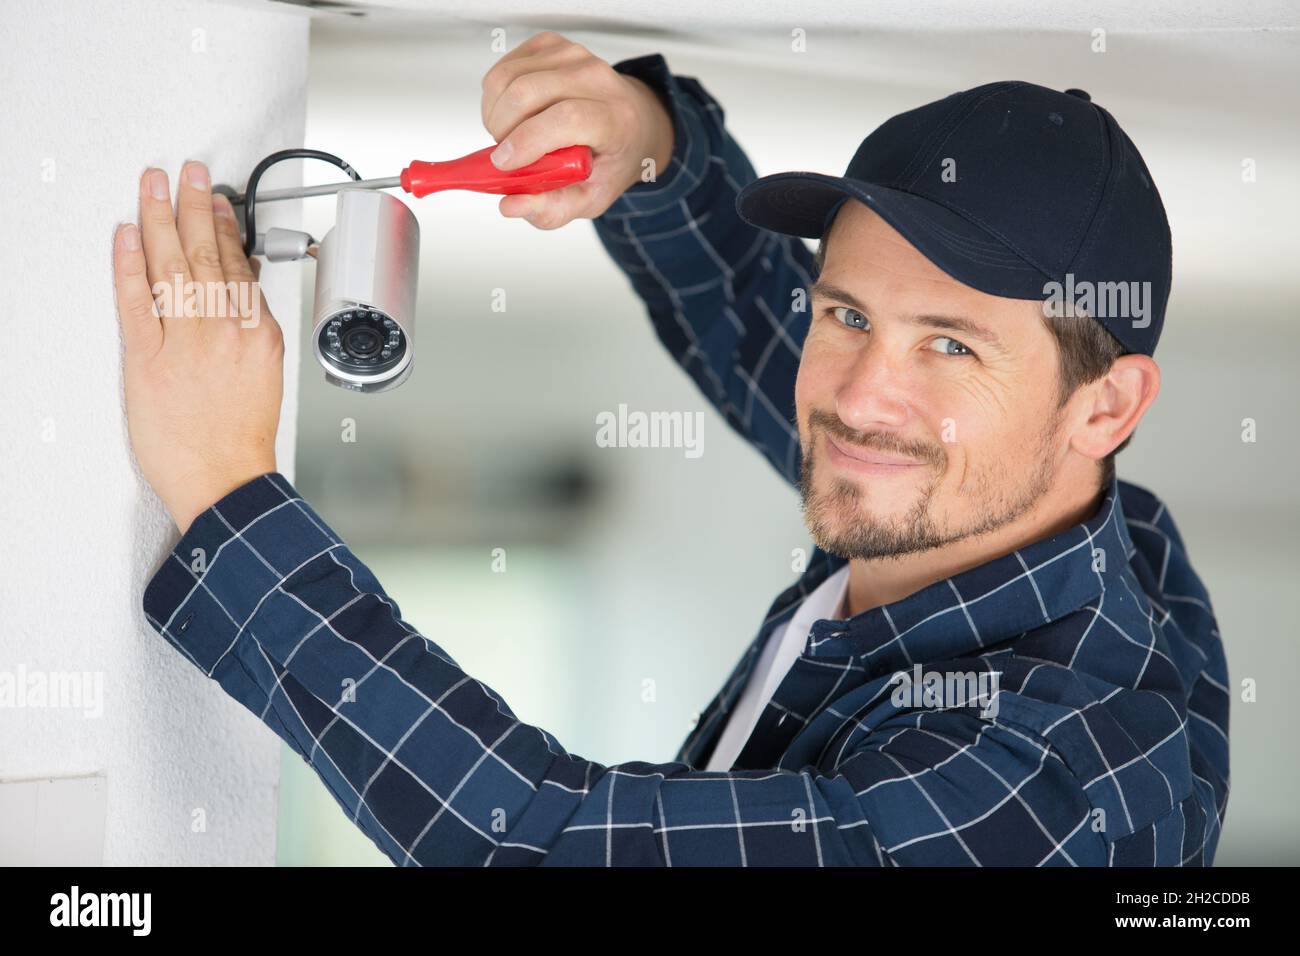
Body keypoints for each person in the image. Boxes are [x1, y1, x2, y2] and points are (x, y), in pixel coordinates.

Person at [112, 31, 1228, 866]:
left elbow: (543, 840)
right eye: (844, 315)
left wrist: (224, 487)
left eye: (950, 345)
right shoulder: (1073, 522)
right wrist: (653, 148)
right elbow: (764, 339)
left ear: (1105, 407)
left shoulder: (1062, 788)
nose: (859, 397)